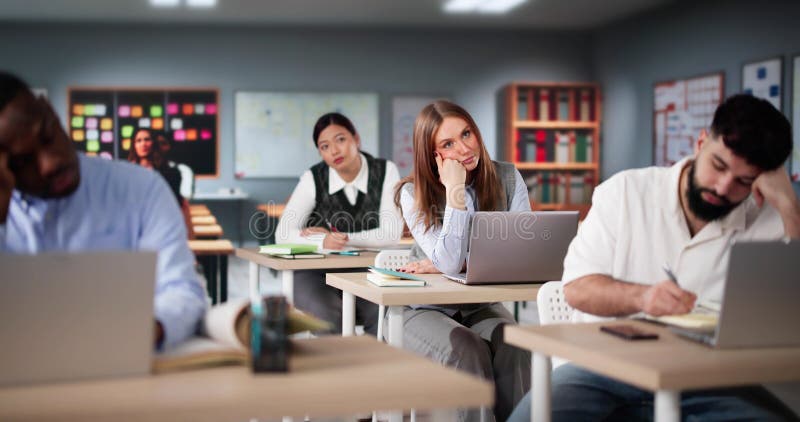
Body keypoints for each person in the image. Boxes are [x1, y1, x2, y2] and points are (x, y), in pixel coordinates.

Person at [507, 94, 800, 421]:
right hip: (602, 368)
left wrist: (789, 206)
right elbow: (577, 289)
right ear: (701, 142)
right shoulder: (625, 193)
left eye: (743, 181)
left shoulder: (770, 217)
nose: (722, 187)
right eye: (718, 166)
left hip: (711, 382)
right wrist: (643, 297)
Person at [0, 71, 206, 350]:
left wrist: (132, 333)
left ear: (50, 111)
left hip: (129, 363)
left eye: (48, 136)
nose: (50, 164)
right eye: (22, 162)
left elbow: (182, 291)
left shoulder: (141, 189)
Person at [393, 100, 531, 422]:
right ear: (434, 156)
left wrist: (448, 262)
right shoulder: (412, 193)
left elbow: (522, 253)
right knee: (469, 350)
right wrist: (454, 190)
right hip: (421, 309)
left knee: (517, 347)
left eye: (467, 133)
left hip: (480, 305)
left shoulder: (508, 177)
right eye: (448, 144)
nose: (465, 148)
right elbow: (452, 264)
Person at [275, 112, 403, 334]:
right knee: (327, 315)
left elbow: (391, 233)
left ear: (356, 139)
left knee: (383, 311)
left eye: (340, 140)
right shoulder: (313, 177)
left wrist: (341, 239)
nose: (334, 150)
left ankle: (374, 368)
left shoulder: (385, 171)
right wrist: (321, 240)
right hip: (314, 272)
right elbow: (282, 234)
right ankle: (338, 368)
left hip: (368, 270)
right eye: (324, 146)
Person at [128, 128, 194, 239]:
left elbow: (179, 204)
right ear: (134, 145)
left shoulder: (170, 173)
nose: (143, 144)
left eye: (147, 139)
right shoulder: (127, 172)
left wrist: (188, 234)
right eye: (138, 141)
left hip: (163, 227)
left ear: (154, 143)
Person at [156, 134, 195, 199]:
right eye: (156, 144)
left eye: (163, 143)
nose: (159, 147)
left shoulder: (182, 169)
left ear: (169, 146)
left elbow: (186, 195)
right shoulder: (144, 170)